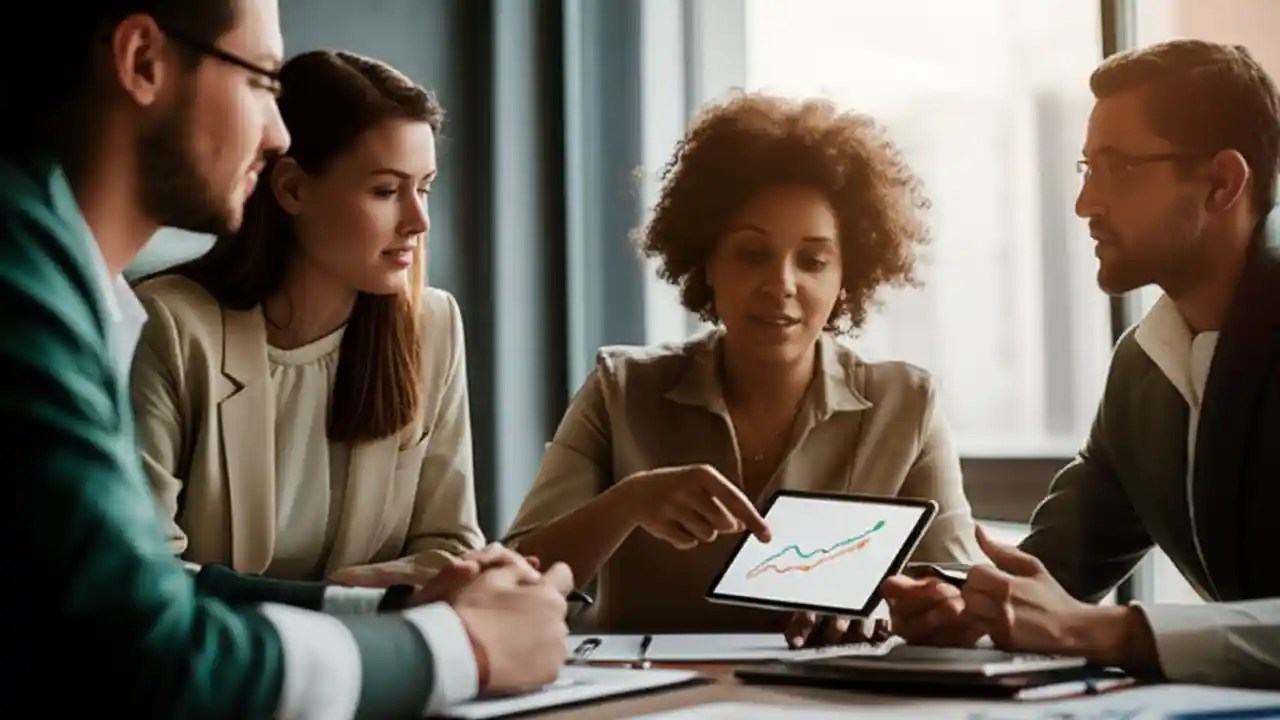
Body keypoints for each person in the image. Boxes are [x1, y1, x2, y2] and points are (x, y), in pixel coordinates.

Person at [0, 3, 571, 717]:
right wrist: (465, 648)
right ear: (142, 60)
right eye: (262, 81)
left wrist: (394, 602)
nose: (275, 134)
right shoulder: (27, 283)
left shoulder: (64, 279)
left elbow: (150, 594)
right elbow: (143, 651)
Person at [504, 93, 983, 645]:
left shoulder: (907, 406)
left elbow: (957, 597)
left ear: (847, 275)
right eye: (753, 254)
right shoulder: (620, 390)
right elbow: (513, 578)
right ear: (707, 260)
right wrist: (628, 502)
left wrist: (890, 607)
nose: (782, 283)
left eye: (813, 261)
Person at [881, 39, 1280, 689]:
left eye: (1118, 169)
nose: (1086, 206)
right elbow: (1057, 570)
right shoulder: (1146, 366)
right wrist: (969, 607)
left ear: (1222, 183)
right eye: (1085, 169)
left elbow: (1074, 620)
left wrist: (1109, 630)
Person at [129, 48, 484, 589]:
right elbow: (146, 573)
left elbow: (452, 547)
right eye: (386, 190)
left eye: (425, 187)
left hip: (381, 666)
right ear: (293, 188)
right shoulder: (172, 328)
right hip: (221, 669)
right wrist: (346, 606)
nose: (418, 220)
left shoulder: (432, 326)